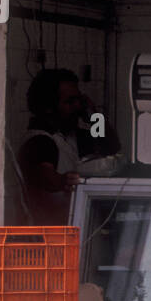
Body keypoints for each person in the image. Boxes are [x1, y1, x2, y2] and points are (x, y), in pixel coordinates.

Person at [16, 68, 121, 226]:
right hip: (50, 237)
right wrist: (63, 180)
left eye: (79, 100)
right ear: (48, 108)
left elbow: (110, 146)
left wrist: (94, 114)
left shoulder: (73, 136)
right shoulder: (39, 141)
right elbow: (46, 177)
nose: (77, 106)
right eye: (70, 102)